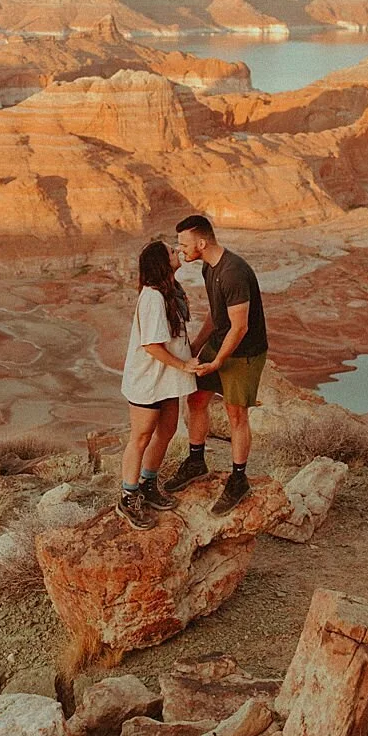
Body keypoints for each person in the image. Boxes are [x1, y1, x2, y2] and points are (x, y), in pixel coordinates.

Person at [161, 214, 268, 515]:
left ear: (202, 242)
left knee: (236, 415)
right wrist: (197, 348)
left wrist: (218, 361)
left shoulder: (233, 272)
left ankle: (238, 480)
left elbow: (240, 327)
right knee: (196, 399)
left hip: (243, 352)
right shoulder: (210, 267)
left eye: (184, 244)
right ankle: (196, 461)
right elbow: (216, 315)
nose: (180, 250)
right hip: (219, 344)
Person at [116, 240, 200, 530]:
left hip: (167, 381)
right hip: (148, 381)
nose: (177, 253)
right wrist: (184, 365)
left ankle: (148, 483)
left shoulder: (172, 291)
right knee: (140, 437)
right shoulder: (152, 297)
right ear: (161, 263)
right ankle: (128, 496)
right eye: (171, 253)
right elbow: (152, 345)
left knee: (166, 431)